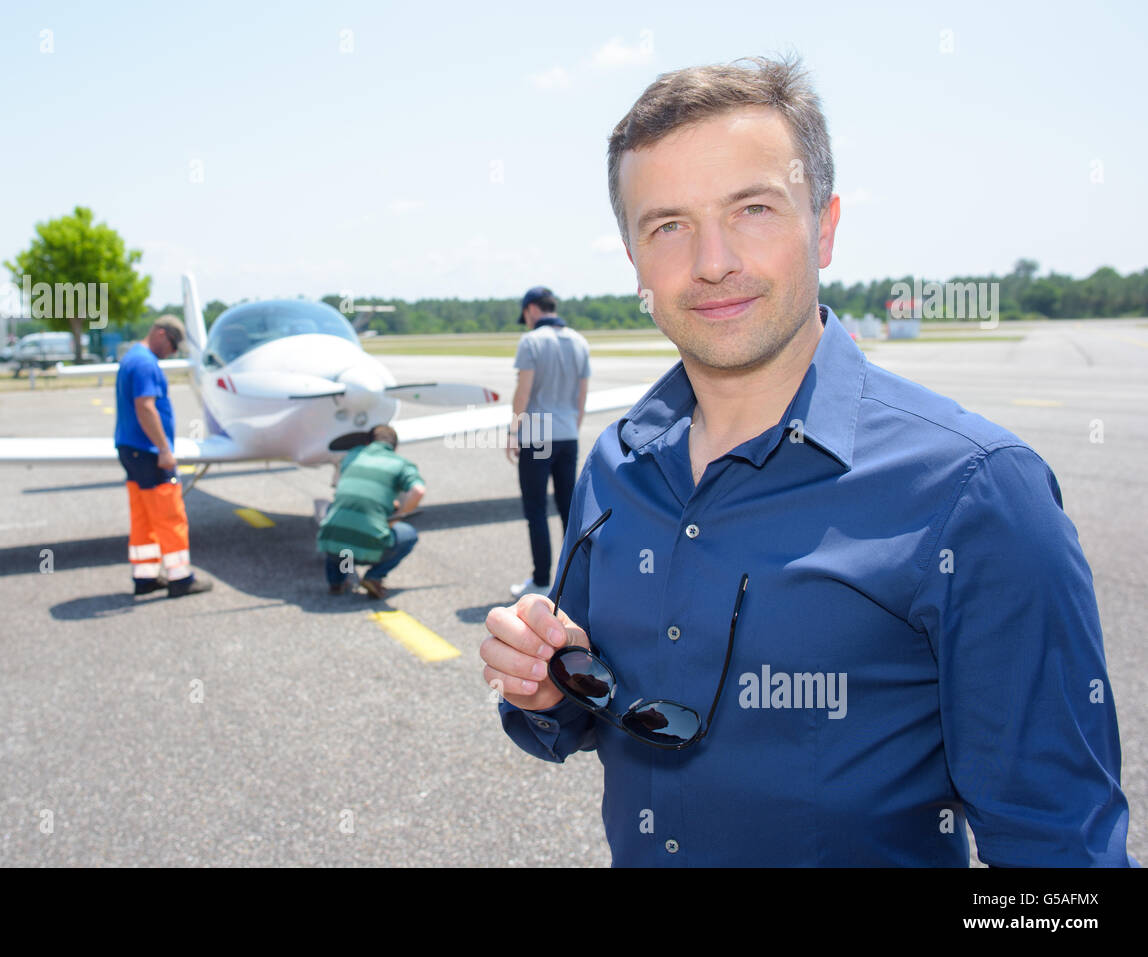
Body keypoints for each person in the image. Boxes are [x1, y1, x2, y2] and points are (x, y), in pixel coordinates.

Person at [480, 56, 1135, 866]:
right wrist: (546, 683)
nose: (712, 260)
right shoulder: (616, 466)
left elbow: (1058, 858)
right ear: (634, 259)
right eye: (668, 225)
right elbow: (591, 701)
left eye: (752, 208)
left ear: (824, 226)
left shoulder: (978, 495)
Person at [115, 315, 212, 598]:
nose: (171, 351)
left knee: (143, 516)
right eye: (171, 344)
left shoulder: (132, 358)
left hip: (131, 449)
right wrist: (164, 450)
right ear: (159, 333)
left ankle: (144, 576)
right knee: (170, 514)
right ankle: (180, 578)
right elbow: (145, 407)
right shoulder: (145, 363)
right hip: (148, 452)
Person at [506, 286, 591, 598]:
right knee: (570, 509)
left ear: (531, 309)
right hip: (568, 433)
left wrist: (514, 432)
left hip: (537, 435)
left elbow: (523, 392)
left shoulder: (531, 342)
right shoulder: (580, 342)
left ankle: (542, 579)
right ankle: (576, 579)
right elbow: (582, 395)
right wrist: (573, 425)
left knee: (536, 509)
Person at [317, 425, 425, 599]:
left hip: (333, 543)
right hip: (368, 546)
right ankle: (374, 576)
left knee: (338, 519)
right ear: (395, 447)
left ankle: (336, 582)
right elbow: (418, 491)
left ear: (368, 442)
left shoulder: (352, 456)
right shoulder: (400, 464)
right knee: (409, 535)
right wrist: (398, 516)